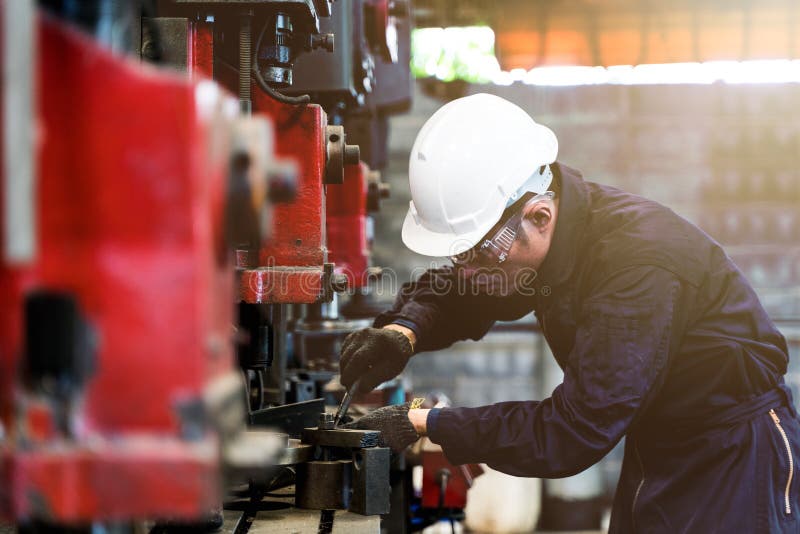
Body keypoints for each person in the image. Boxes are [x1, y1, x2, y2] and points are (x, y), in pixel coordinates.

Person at [341, 93, 798, 532]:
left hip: (736, 458)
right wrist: (403, 331)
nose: (471, 270)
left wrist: (423, 422)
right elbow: (469, 289)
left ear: (539, 216)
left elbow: (570, 432)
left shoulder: (635, 267)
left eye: (483, 253)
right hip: (662, 447)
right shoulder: (547, 246)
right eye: (463, 255)